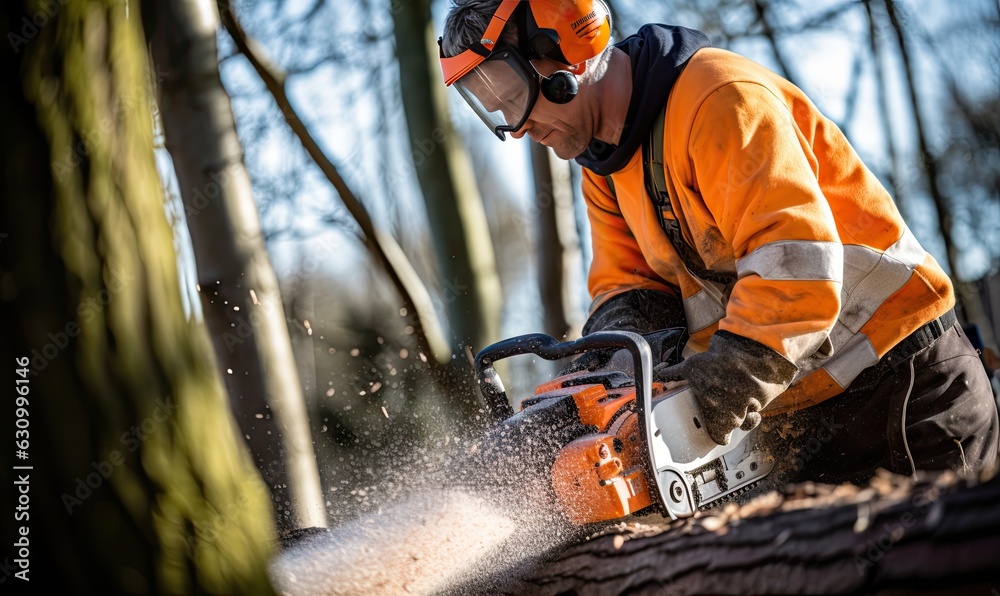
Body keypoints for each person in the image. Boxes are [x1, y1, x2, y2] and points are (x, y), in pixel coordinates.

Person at [439, 0, 998, 483]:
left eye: (513, 94)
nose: (517, 126)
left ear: (572, 47)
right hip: (793, 408)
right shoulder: (603, 166)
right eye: (495, 107)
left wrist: (715, 392)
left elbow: (794, 266)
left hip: (902, 385)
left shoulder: (719, 99)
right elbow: (628, 291)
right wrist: (609, 390)